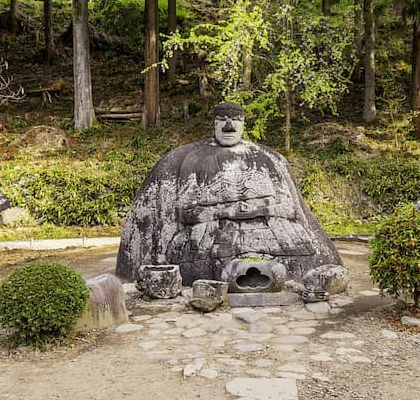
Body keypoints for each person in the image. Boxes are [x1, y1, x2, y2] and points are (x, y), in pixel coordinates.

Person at [116, 102, 341, 285]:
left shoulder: (264, 160)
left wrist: (257, 209)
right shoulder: (194, 159)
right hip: (216, 230)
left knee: (298, 240)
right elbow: (186, 212)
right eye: (222, 121)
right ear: (214, 125)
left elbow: (289, 208)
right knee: (193, 245)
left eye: (235, 121)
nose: (229, 126)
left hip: (263, 228)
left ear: (243, 124)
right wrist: (227, 211)